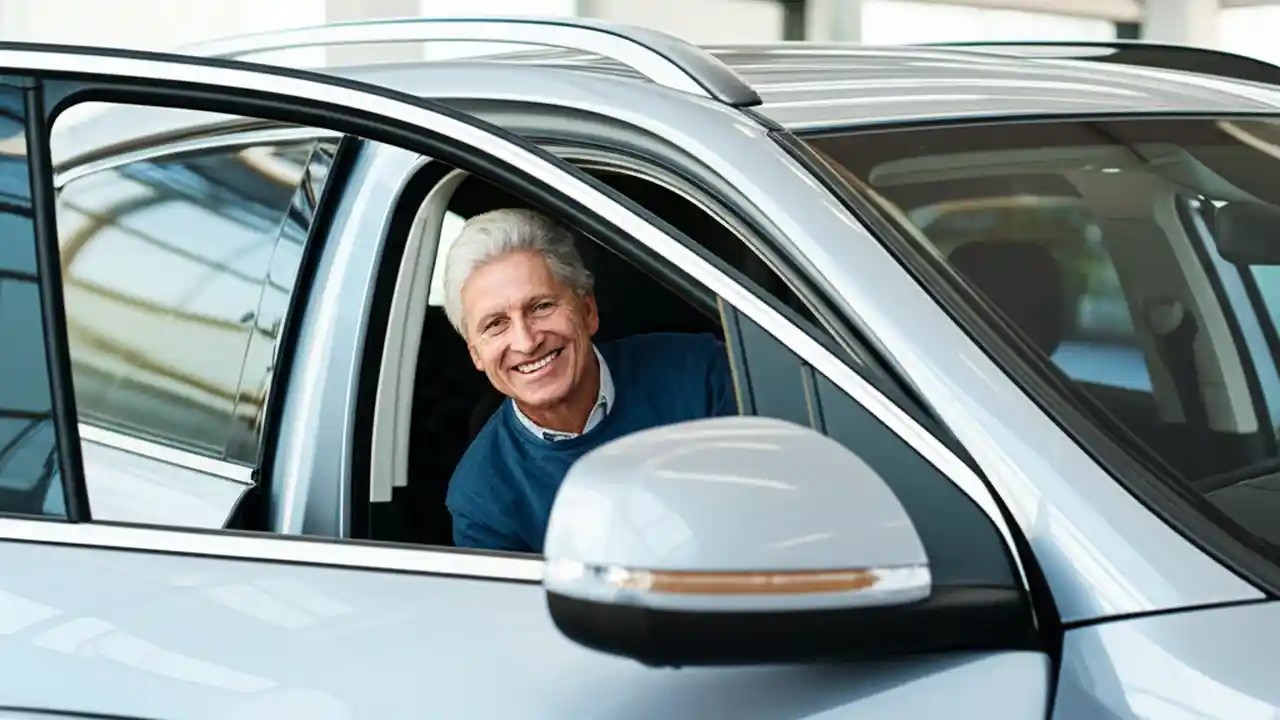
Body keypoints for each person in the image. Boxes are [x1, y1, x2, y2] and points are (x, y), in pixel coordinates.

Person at [442, 208, 737, 552]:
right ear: (476, 354)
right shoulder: (481, 498)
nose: (526, 341)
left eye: (541, 307)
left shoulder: (701, 372)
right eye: (496, 324)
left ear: (588, 310)